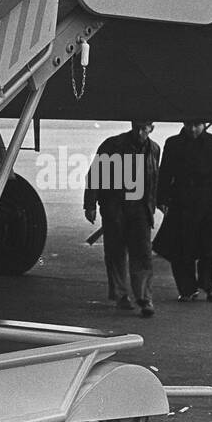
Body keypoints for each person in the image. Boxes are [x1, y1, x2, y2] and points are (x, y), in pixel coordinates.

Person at [84, 121, 162, 317]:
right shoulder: (112, 145)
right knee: (115, 253)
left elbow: (154, 179)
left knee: (143, 254)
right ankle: (120, 296)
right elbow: (95, 174)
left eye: (145, 128)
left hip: (141, 211)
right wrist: (90, 204)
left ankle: (144, 298)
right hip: (115, 208)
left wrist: (159, 202)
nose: (140, 132)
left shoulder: (154, 149)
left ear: (151, 129)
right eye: (138, 127)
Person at [154, 122, 212, 302]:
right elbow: (165, 173)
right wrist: (162, 199)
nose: (192, 130)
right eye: (189, 125)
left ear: (204, 124)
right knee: (181, 249)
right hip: (181, 202)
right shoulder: (173, 143)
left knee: (211, 245)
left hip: (208, 202)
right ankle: (187, 289)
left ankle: (208, 284)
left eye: (196, 125)